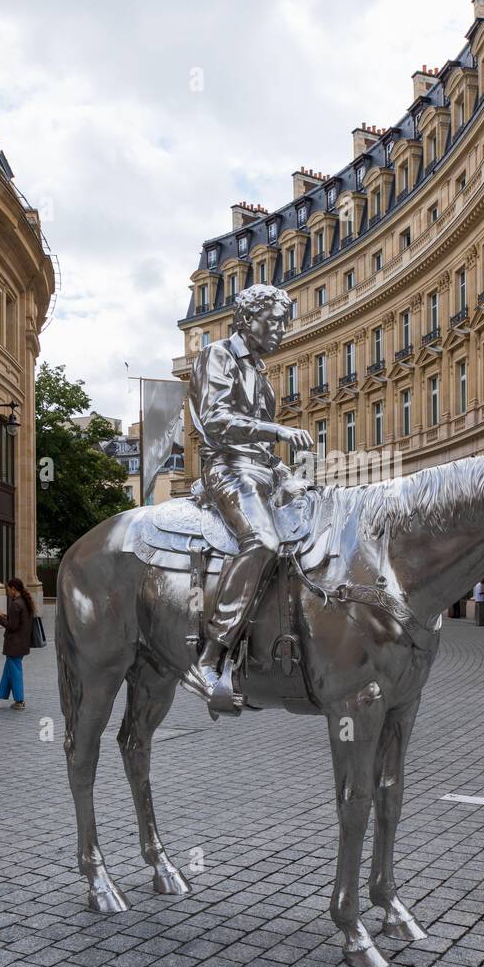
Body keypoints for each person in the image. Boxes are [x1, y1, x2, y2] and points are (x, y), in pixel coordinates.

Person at [184, 284, 313, 708]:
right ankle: (210, 655)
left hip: (262, 471)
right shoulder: (218, 354)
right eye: (272, 320)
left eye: (284, 321)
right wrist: (277, 432)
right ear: (246, 318)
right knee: (264, 542)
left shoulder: (259, 370)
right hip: (228, 470)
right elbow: (216, 420)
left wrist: (287, 472)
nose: (280, 329)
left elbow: (261, 448)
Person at [0, 577, 35, 710]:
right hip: (22, 644)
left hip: (14, 645)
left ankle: (19, 700)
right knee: (8, 673)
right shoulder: (25, 603)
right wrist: (6, 616)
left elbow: (12, 626)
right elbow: (19, 622)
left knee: (15, 672)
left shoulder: (16, 604)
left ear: (13, 589)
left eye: (8, 589)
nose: (8, 592)